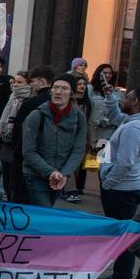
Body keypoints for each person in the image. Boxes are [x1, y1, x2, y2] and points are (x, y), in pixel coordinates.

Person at [96, 87, 140, 279]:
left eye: (127, 97)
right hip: (125, 185)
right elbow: (116, 115)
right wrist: (111, 97)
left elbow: (126, 161)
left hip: (122, 187)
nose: (125, 100)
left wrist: (110, 181)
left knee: (124, 233)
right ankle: (120, 275)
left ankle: (122, 278)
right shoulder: (136, 121)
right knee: (122, 231)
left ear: (136, 101)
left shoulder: (135, 127)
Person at [20, 74, 88, 208]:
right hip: (36, 174)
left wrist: (65, 174)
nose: (58, 92)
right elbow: (28, 151)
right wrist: (50, 172)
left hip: (60, 175)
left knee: (46, 212)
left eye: (64, 88)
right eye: (55, 87)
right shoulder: (36, 115)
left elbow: (78, 150)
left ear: (72, 94)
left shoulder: (79, 117)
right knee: (44, 212)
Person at [5, 65, 55, 202]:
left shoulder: (31, 103)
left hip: (26, 160)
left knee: (21, 201)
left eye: (32, 82)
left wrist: (17, 154)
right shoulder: (58, 104)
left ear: (42, 81)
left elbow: (18, 133)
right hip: (51, 162)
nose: (31, 85)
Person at [62, 75, 96, 202]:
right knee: (70, 162)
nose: (81, 86)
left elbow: (90, 121)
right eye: (79, 84)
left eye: (83, 84)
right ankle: (70, 190)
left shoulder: (89, 101)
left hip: (85, 135)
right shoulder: (70, 100)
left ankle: (79, 188)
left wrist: (92, 140)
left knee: (84, 164)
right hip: (70, 135)